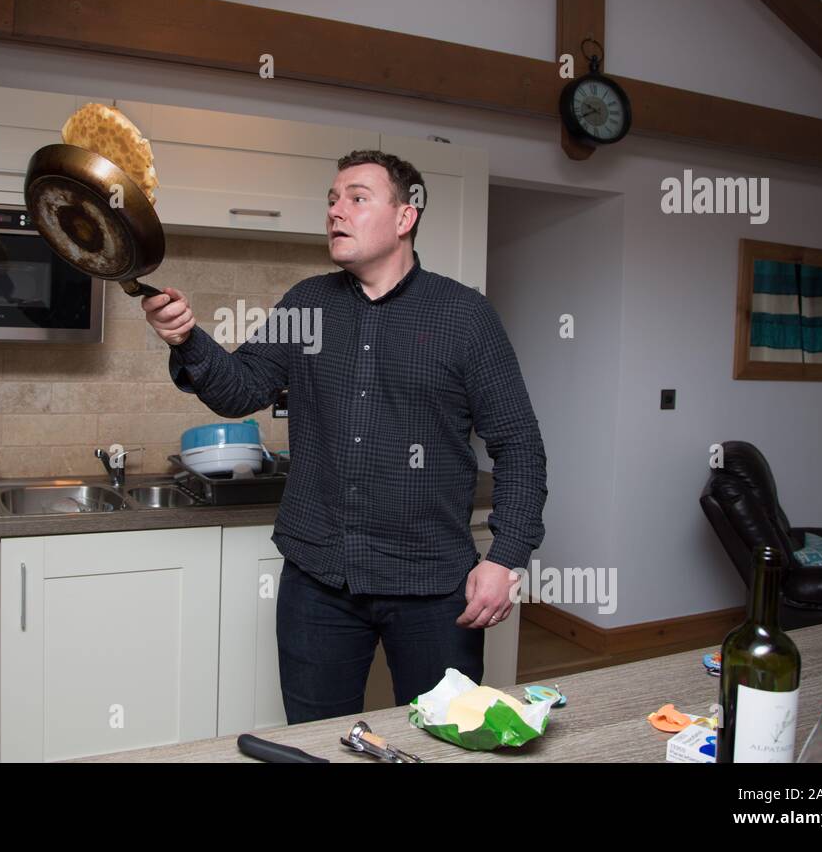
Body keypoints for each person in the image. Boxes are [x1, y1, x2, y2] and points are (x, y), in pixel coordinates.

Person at [142, 149, 548, 723]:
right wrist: (186, 339)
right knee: (316, 740)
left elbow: (520, 446)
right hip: (319, 580)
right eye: (332, 200)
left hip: (431, 585)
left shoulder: (466, 317)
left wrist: (506, 557)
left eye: (357, 198)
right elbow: (241, 389)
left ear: (405, 218)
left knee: (444, 738)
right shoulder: (308, 302)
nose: (337, 211)